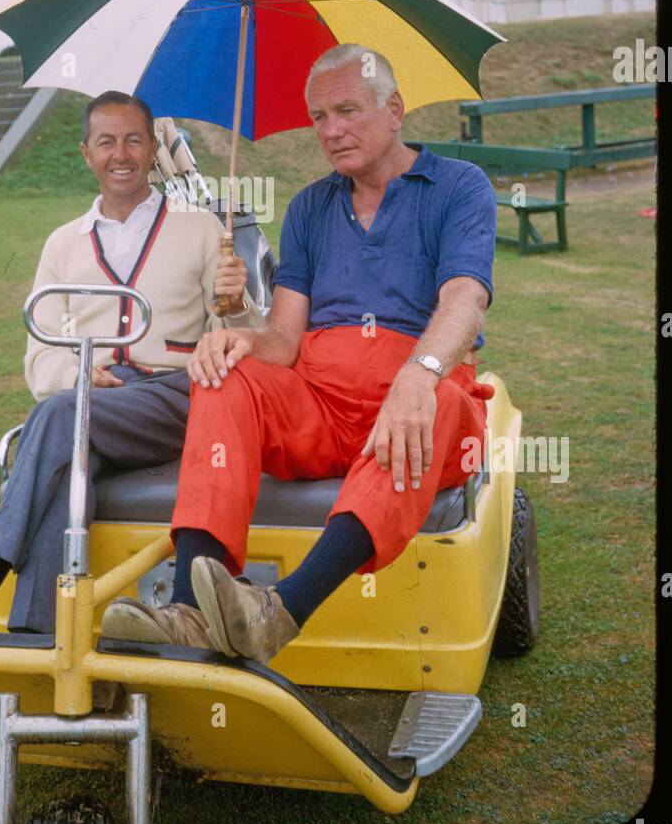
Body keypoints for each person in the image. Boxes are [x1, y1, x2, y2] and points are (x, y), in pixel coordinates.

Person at [102, 44, 498, 663]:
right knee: (223, 375)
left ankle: (282, 608)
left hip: (412, 392)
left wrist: (418, 374)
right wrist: (238, 334)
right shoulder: (312, 205)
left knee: (442, 399)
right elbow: (284, 340)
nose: (332, 130)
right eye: (319, 116)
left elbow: (465, 299)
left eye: (347, 109)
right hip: (319, 399)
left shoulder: (457, 186)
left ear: (393, 109)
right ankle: (188, 606)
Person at [0, 90, 261, 677]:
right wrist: (80, 375)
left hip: (178, 397)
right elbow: (41, 358)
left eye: (134, 139)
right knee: (65, 426)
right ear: (86, 153)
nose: (121, 153)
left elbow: (244, 345)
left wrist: (234, 304)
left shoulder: (204, 230)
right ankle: (41, 641)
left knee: (59, 417)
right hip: (94, 402)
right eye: (106, 141)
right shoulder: (62, 243)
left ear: (154, 147)